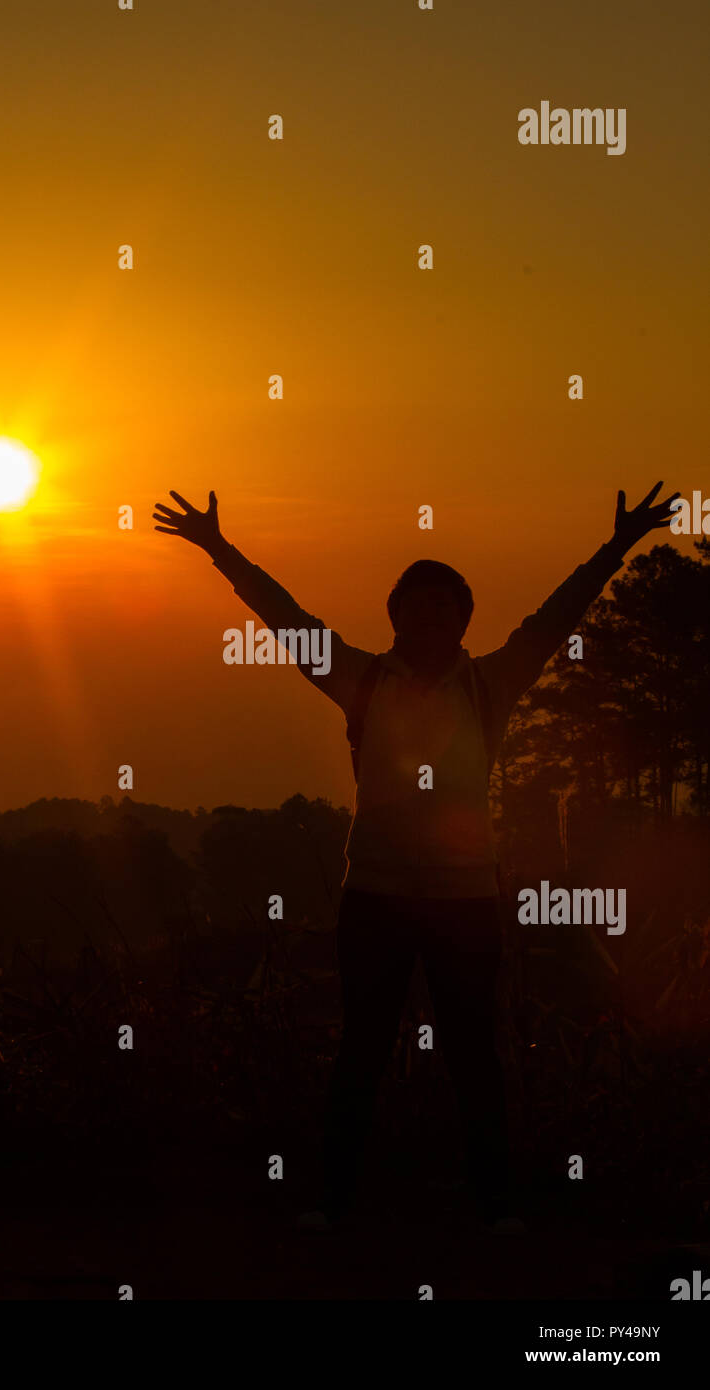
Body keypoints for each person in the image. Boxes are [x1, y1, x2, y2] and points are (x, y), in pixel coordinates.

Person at [154, 482, 678, 1231]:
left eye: (445, 608)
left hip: (467, 904)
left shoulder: (490, 684)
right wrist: (218, 548)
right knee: (361, 1053)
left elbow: (558, 619)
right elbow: (286, 618)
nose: (430, 619)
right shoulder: (360, 679)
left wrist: (617, 547)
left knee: (475, 1058)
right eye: (417, 606)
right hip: (375, 899)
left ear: (464, 621)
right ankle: (337, 1206)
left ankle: (493, 1209)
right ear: (394, 617)